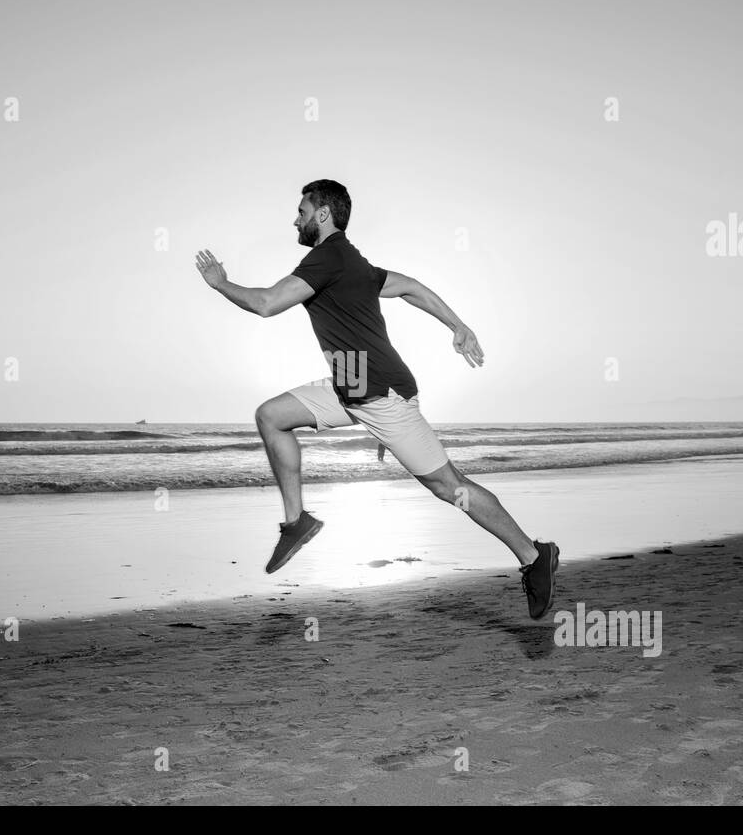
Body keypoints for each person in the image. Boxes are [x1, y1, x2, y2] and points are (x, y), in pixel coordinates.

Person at [194, 179, 559, 618]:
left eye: (303, 211)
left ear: (323, 214)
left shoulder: (328, 257)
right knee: (271, 416)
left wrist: (220, 283)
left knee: (450, 487)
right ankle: (297, 523)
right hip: (350, 385)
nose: (296, 219)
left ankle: (534, 556)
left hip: (382, 395)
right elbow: (411, 286)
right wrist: (458, 325)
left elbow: (268, 304)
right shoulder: (352, 262)